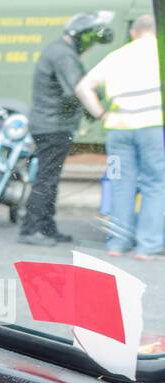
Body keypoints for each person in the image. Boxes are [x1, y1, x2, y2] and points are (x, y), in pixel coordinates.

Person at [19, 12, 114, 246]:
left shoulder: (62, 51)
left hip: (53, 124)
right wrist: (98, 111)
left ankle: (47, 228)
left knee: (49, 178)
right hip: (52, 126)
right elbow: (77, 89)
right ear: (79, 36)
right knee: (46, 180)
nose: (90, 46)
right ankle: (31, 230)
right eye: (89, 40)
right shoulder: (63, 55)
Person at [76, 14, 163, 258]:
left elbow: (83, 88)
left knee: (121, 183)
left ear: (133, 33)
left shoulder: (117, 56)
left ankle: (118, 243)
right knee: (155, 184)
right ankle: (148, 246)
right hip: (152, 127)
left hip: (118, 130)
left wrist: (102, 114)